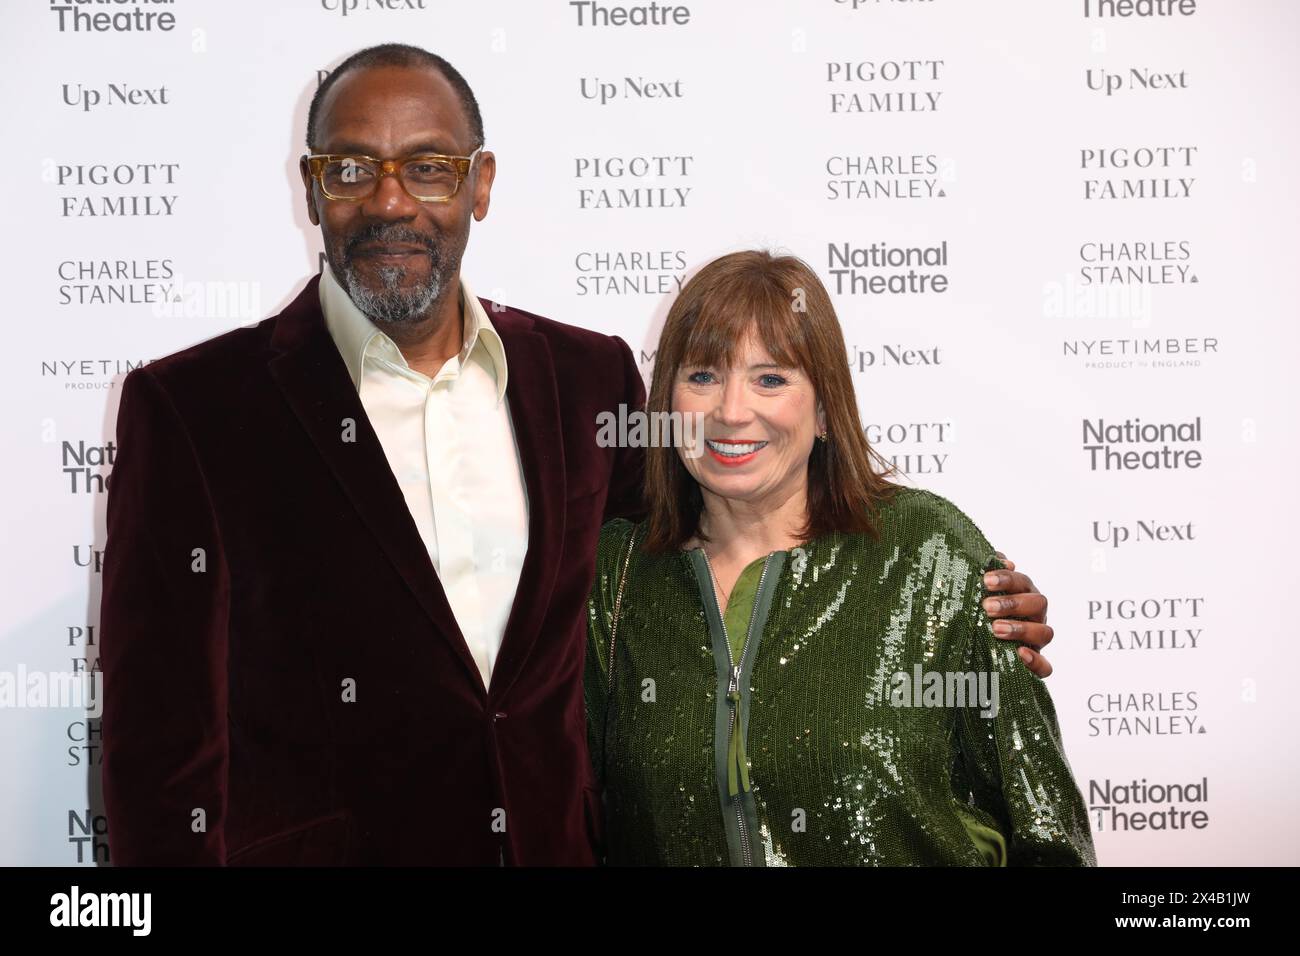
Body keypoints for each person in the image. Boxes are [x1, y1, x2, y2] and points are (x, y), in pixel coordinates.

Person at [99, 43, 1056, 867]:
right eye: (353, 168)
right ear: (313, 187)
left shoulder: (585, 379)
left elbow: (713, 536)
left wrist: (952, 596)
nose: (391, 199)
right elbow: (158, 755)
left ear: (480, 183)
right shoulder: (194, 409)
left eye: (429, 167)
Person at [585, 250, 1096, 866]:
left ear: (824, 408)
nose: (730, 410)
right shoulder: (615, 574)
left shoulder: (929, 551)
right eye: (702, 376)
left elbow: (1046, 830)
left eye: (770, 378)